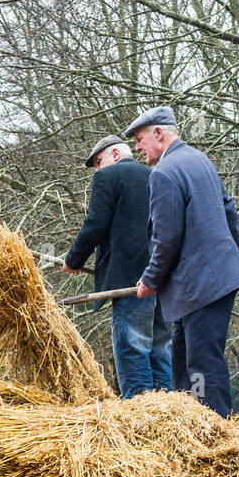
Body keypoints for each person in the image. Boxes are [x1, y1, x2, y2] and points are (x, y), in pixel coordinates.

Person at [128, 106, 239, 417]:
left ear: (159, 133)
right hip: (213, 278)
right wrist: (234, 258)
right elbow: (229, 210)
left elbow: (166, 237)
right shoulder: (198, 159)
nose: (137, 147)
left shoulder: (164, 173)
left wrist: (150, 279)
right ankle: (189, 429)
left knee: (201, 365)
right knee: (183, 363)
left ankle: (218, 432)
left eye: (140, 139)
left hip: (200, 283)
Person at [63, 135, 172, 397]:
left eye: (99, 162)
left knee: (131, 346)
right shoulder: (156, 176)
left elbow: (96, 224)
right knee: (160, 347)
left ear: (115, 154)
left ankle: (139, 412)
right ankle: (169, 409)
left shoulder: (107, 177)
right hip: (161, 278)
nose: (98, 170)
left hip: (130, 281)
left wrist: (73, 260)